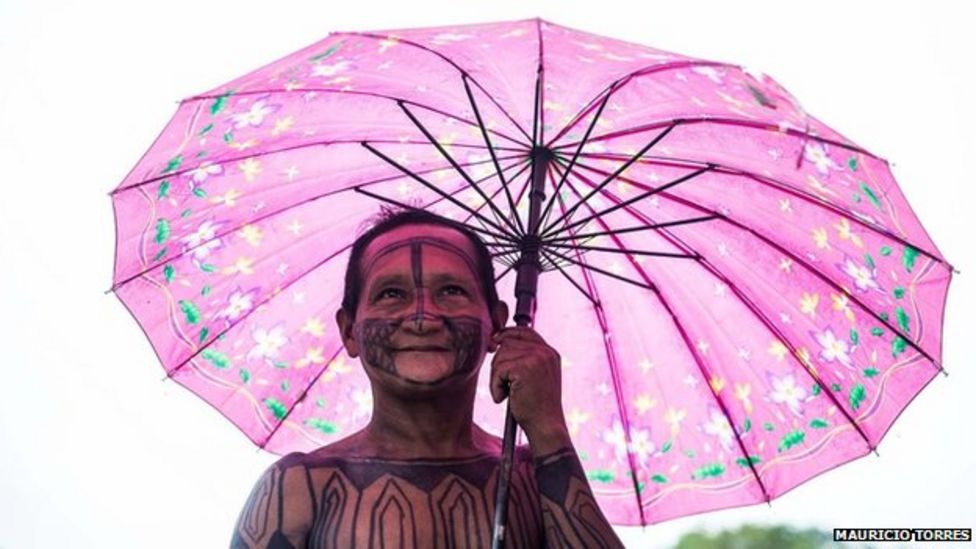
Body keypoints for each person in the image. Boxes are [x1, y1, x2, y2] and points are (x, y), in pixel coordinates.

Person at [230, 208, 624, 548]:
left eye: (451, 290)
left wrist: (547, 428)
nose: (422, 318)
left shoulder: (531, 477)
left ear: (497, 324)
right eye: (391, 294)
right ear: (350, 330)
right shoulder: (300, 488)